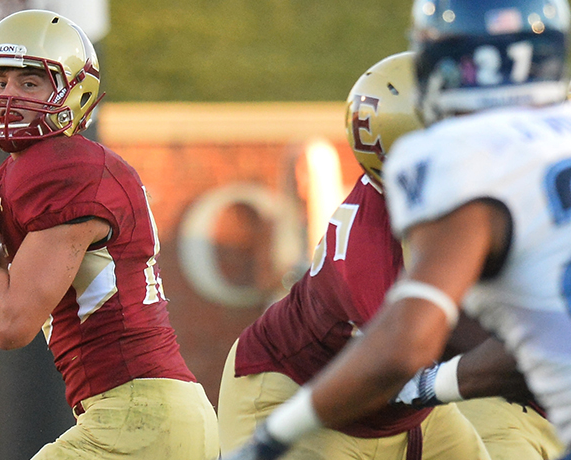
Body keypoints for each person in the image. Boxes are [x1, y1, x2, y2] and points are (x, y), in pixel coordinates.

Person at [221, 0, 571, 459]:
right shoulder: (373, 247)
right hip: (301, 383)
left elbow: (409, 349)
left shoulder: (457, 165)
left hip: (381, 396)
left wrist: (274, 438)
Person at [0, 9, 219, 460]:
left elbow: (11, 325)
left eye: (29, 83)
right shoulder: (28, 170)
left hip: (135, 418)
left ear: (74, 93)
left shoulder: (63, 168)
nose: (8, 96)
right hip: (149, 418)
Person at [218, 52, 490, 460]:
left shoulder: (428, 198)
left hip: (397, 407)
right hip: (297, 394)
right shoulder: (369, 252)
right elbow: (413, 354)